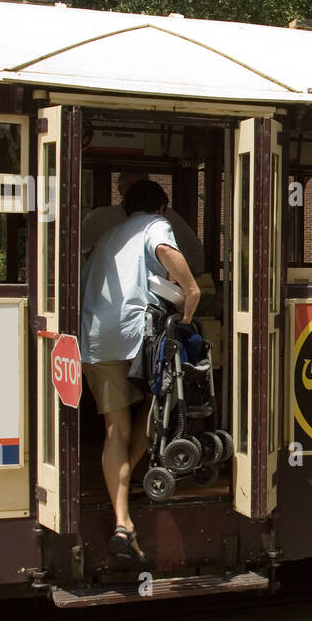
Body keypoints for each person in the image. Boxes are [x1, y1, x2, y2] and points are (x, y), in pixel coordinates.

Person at [81, 180, 200, 565]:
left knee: (115, 429)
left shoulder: (109, 233)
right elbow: (165, 251)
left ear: (124, 206)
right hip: (135, 336)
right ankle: (131, 475)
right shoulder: (154, 225)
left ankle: (122, 520)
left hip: (96, 339)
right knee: (157, 401)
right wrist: (192, 291)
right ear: (161, 208)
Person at [82, 171, 206, 275]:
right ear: (120, 189)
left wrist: (197, 278)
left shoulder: (166, 217)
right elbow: (75, 247)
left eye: (142, 187)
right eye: (132, 187)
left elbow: (192, 248)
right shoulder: (101, 218)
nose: (138, 192)